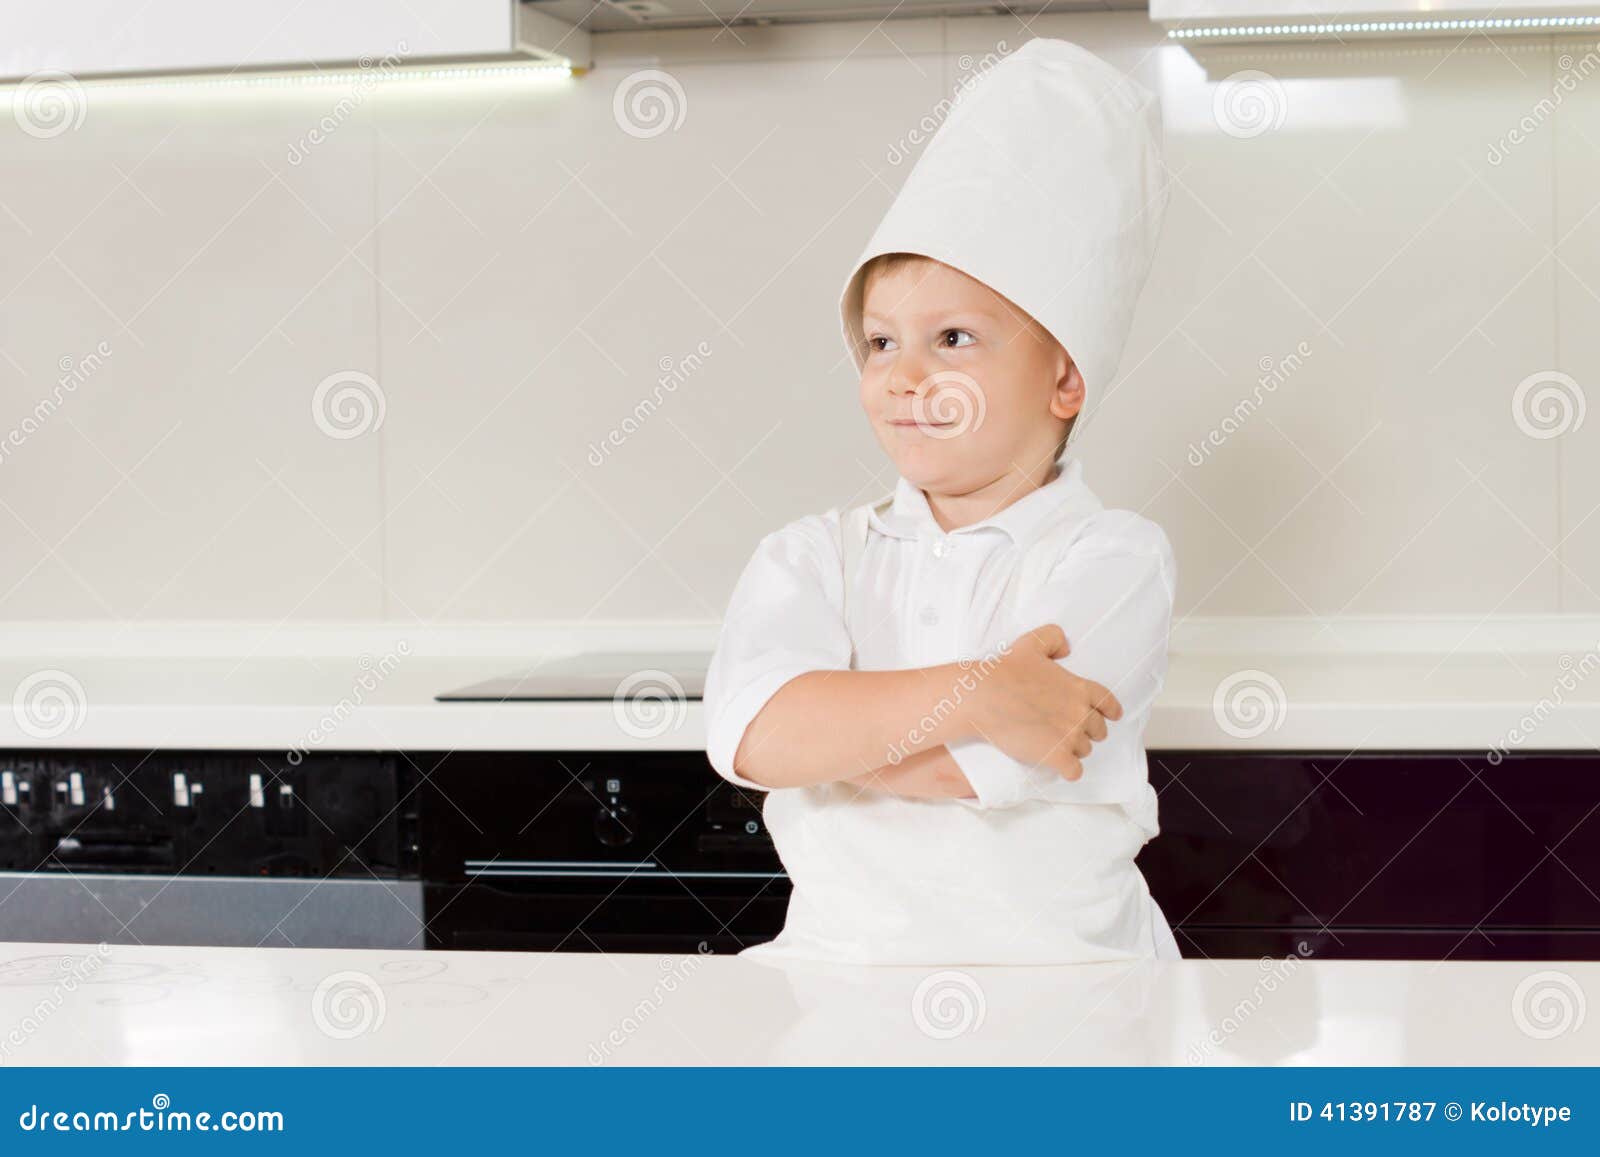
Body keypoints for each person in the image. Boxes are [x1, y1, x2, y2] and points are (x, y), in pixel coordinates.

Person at [703, 38, 1176, 964]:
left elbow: (986, 760)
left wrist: (835, 739)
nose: (903, 375)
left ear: (1065, 376)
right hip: (835, 992)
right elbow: (756, 739)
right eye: (881, 342)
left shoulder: (1115, 558)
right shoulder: (812, 555)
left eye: (953, 337)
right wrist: (980, 689)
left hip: (1074, 997)